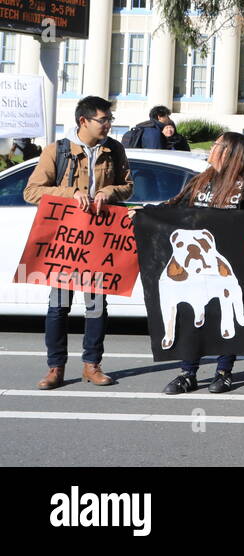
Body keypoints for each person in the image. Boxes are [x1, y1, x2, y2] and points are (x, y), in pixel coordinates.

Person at [24, 95, 134, 391]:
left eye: (110, 119)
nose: (108, 125)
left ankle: (92, 365)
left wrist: (109, 191)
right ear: (83, 121)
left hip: (100, 241)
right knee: (59, 306)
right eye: (103, 119)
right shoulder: (57, 151)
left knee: (97, 305)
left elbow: (128, 186)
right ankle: (55, 368)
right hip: (66, 241)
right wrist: (71, 192)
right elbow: (32, 191)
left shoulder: (115, 149)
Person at [157, 133, 244, 395]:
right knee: (191, 320)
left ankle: (224, 371)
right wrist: (146, 213)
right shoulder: (202, 179)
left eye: (217, 145)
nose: (212, 149)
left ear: (230, 152)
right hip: (192, 268)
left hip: (227, 263)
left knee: (224, 316)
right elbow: (176, 205)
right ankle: (187, 373)